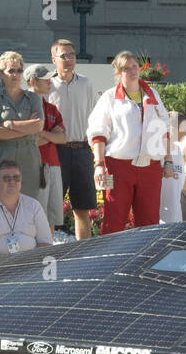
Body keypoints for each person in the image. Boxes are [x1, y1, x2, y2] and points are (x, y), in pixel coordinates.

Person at [87, 50, 173, 234]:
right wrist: (99, 164)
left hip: (150, 167)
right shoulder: (109, 97)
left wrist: (169, 161)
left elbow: (164, 130)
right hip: (118, 167)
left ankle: (144, 261)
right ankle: (110, 261)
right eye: (126, 68)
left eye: (135, 66)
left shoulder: (153, 94)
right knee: (114, 219)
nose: (133, 71)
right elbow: (98, 133)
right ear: (118, 73)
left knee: (149, 222)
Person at [48, 39, 99, 239]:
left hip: (82, 150)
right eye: (64, 56)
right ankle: (46, 253)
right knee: (52, 208)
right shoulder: (48, 87)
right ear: (54, 59)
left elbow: (95, 115)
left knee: (82, 208)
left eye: (72, 55)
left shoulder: (86, 83)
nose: (69, 59)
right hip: (56, 152)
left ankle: (82, 254)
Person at [0, 51, 44, 202]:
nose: (16, 75)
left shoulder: (33, 98)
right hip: (1, 154)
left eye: (19, 70)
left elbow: (38, 126)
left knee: (29, 203)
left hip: (28, 155)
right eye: (11, 70)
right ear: (1, 74)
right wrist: (26, 128)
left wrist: (10, 124)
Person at [0, 159, 53, 257]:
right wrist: (0, 264)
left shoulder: (34, 205)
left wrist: (30, 262)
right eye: (6, 178)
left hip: (29, 266)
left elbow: (46, 241)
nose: (12, 182)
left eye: (16, 177)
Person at [25, 63, 68, 231]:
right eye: (45, 79)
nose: (50, 82)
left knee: (50, 216)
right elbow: (28, 141)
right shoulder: (24, 107)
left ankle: (47, 253)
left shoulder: (51, 108)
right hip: (33, 166)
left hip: (53, 165)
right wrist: (51, 136)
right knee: (33, 216)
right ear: (32, 82)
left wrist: (43, 133)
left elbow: (63, 138)